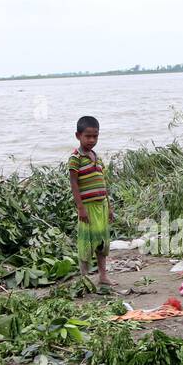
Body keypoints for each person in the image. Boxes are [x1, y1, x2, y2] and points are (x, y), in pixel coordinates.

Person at [69, 116, 113, 286]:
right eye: (88, 136)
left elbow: (102, 183)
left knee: (102, 243)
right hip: (87, 208)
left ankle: (103, 276)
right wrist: (80, 207)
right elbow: (73, 183)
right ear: (78, 136)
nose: (92, 140)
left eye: (95, 136)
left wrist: (109, 207)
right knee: (86, 243)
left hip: (101, 206)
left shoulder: (96, 156)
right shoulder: (76, 158)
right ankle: (84, 278)